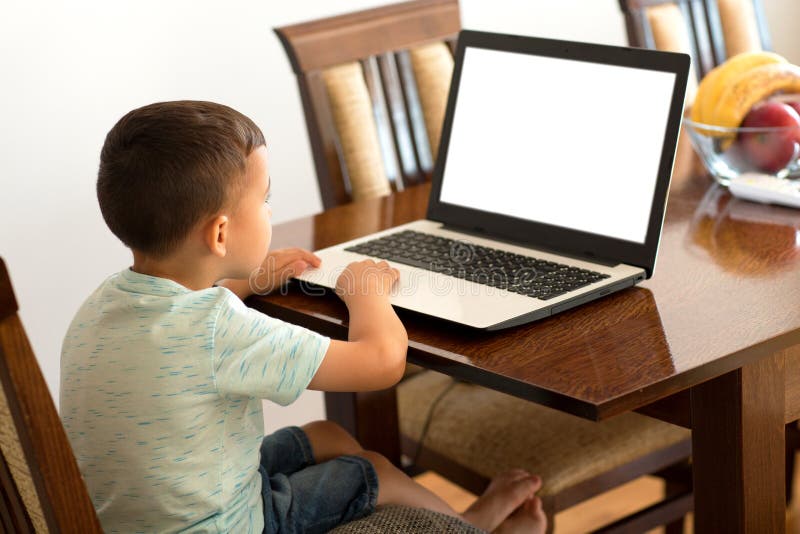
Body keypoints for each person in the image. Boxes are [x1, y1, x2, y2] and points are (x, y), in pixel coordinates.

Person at [60, 100, 546, 533]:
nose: (271, 212)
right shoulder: (218, 327)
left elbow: (184, 322)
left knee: (328, 435)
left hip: (145, 511)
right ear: (221, 235)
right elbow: (381, 364)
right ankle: (470, 526)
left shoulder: (104, 303)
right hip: (227, 523)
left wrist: (249, 280)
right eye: (265, 200)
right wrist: (366, 293)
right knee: (373, 468)